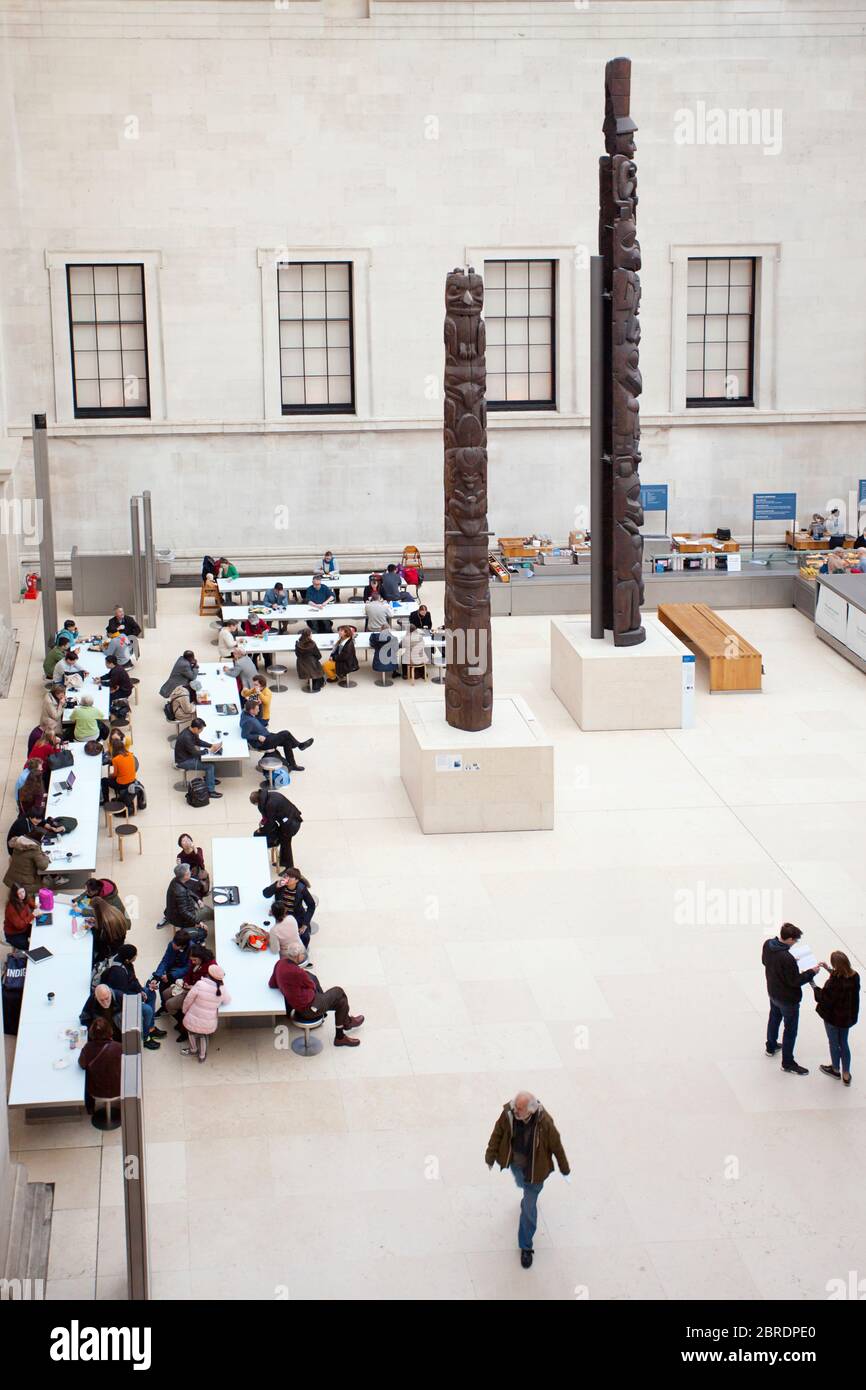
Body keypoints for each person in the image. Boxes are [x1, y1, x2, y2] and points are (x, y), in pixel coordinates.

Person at [485, 1092, 571, 1268]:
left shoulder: (545, 1123)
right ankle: (525, 1198)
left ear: (531, 1110)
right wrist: (490, 1155)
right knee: (520, 1184)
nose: (516, 1110)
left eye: (520, 1108)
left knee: (529, 1208)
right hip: (517, 1165)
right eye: (516, 1105)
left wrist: (564, 1169)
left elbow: (556, 1146)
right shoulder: (508, 1114)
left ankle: (526, 1246)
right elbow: (497, 1133)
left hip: (535, 1172)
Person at [269, 943, 363, 1046]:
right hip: (308, 1009)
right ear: (297, 957)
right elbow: (312, 986)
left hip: (299, 1004)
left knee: (341, 1002)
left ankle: (342, 1032)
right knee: (339, 992)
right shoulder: (297, 972)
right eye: (303, 954)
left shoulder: (280, 964)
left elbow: (272, 983)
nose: (304, 955)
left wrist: (288, 988)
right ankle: (344, 1027)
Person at [762, 922, 820, 1074]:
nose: (795, 943)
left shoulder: (768, 945)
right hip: (787, 999)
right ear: (789, 939)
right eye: (795, 940)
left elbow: (765, 961)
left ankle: (771, 1046)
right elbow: (795, 981)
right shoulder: (786, 958)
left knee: (774, 1018)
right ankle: (787, 1063)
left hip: (773, 991)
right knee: (790, 1029)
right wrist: (812, 972)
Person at [102, 944, 165, 1049]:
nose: (136, 956)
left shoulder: (126, 964)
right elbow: (123, 996)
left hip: (132, 992)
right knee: (147, 1010)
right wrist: (138, 997)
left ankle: (150, 1028)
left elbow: (133, 979)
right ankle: (145, 1037)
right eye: (135, 955)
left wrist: (141, 990)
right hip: (123, 1003)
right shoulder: (118, 973)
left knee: (151, 993)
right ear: (127, 959)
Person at [814, 951, 860, 1085]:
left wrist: (813, 985)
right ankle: (846, 1074)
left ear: (836, 965)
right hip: (846, 1018)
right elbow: (842, 978)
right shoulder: (854, 976)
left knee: (834, 1043)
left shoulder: (833, 983)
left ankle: (835, 1069)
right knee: (844, 1043)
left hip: (832, 1018)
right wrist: (828, 969)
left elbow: (823, 998)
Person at [240, 697, 312, 771]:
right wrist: (257, 737)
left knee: (287, 742)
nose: (258, 710)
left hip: (268, 736)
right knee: (285, 733)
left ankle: (293, 765)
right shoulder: (248, 721)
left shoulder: (247, 713)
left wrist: (260, 704)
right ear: (251, 710)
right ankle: (300, 745)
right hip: (264, 743)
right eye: (257, 709)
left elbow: (260, 716)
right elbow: (244, 735)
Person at [181, 962, 230, 1062]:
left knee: (190, 1032)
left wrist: (184, 1010)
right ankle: (202, 1056)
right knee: (203, 1036)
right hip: (208, 1022)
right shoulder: (222, 989)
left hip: (193, 1017)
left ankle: (193, 1049)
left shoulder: (200, 984)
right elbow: (227, 1000)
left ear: (209, 975)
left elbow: (188, 999)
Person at [78, 1016, 123, 1115]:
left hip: (96, 1092)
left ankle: (90, 1108)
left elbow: (82, 1065)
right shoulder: (119, 1047)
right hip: (119, 1089)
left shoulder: (87, 1048)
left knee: (86, 1076)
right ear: (110, 1031)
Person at [250, 787, 302, 869]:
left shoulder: (270, 804)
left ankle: (289, 867)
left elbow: (271, 824)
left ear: (258, 801)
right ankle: (283, 862)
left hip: (291, 823)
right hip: (289, 819)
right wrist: (264, 821)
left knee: (286, 843)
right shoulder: (269, 796)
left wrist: (261, 830)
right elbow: (269, 818)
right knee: (283, 840)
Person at [174, 717, 223, 798]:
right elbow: (195, 753)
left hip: (188, 756)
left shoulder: (190, 731)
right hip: (183, 761)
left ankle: (209, 779)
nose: (201, 731)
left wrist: (211, 745)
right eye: (201, 730)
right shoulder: (186, 737)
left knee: (211, 762)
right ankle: (210, 791)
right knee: (210, 766)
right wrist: (208, 751)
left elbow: (198, 742)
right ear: (196, 728)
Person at [165, 863, 213, 934]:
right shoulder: (180, 893)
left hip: (173, 912)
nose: (190, 872)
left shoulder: (176, 880)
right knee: (209, 912)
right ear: (185, 876)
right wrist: (198, 922)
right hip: (180, 919)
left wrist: (197, 899)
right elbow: (184, 913)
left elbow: (187, 890)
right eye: (189, 872)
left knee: (203, 908)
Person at [87, 896, 129, 963]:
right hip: (119, 940)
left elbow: (100, 938)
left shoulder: (106, 922)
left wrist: (93, 928)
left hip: (109, 948)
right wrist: (95, 921)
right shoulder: (114, 910)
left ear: (97, 910)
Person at [4, 884, 35, 950]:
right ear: (14, 895)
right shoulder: (11, 908)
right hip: (14, 935)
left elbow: (29, 900)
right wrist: (33, 915)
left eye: (23, 892)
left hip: (25, 928)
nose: (22, 895)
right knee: (30, 948)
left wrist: (35, 905)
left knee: (38, 935)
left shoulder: (23, 898)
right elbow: (19, 925)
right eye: (19, 893)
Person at [295, 627, 325, 692]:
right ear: (309, 636)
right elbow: (319, 656)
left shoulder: (297, 644)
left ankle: (311, 680)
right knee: (317, 665)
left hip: (301, 665)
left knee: (311, 665)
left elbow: (297, 654)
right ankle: (317, 683)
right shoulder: (312, 645)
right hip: (312, 665)